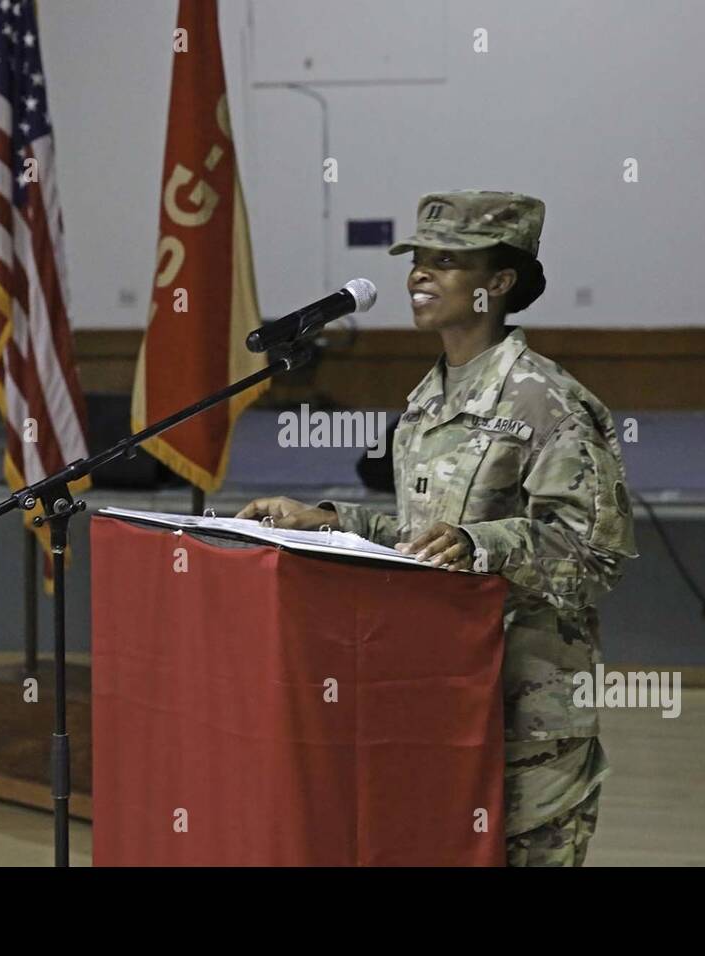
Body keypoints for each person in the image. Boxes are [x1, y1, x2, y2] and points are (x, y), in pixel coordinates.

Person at [237, 189, 638, 866]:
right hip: (434, 700)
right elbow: (425, 540)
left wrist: (484, 546)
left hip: (524, 716)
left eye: (446, 260)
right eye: (417, 259)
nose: (418, 275)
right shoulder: (426, 403)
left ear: (499, 282)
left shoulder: (548, 401)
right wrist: (330, 521)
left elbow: (596, 553)